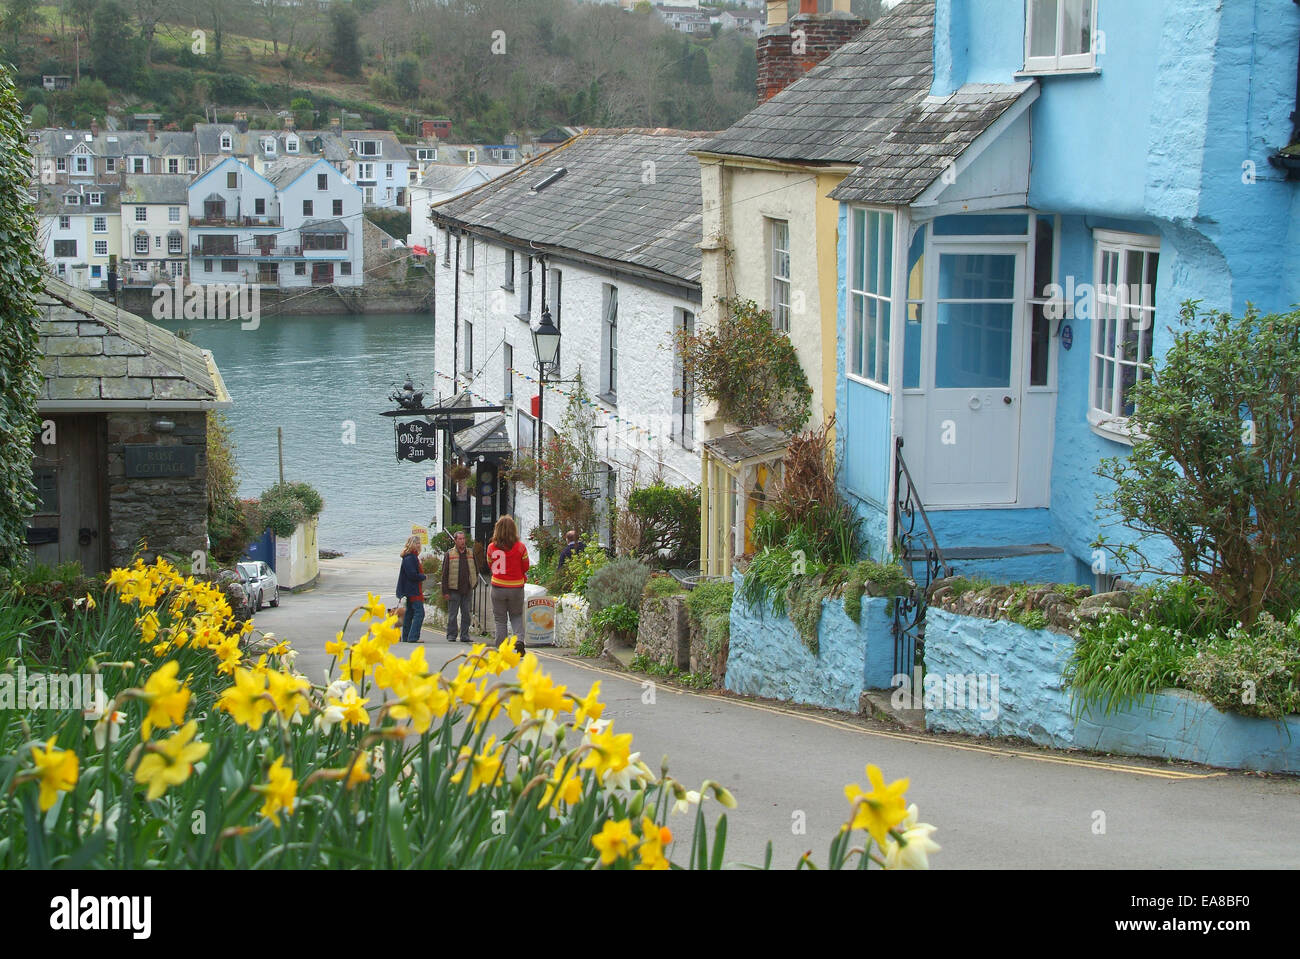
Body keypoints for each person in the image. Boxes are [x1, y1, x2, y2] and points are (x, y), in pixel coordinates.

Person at [486, 515, 530, 645]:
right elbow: (526, 566)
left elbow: (490, 564)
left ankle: (501, 645)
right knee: (516, 616)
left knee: (500, 619)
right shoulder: (520, 547)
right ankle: (519, 640)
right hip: (516, 587)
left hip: (498, 587)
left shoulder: (491, 548)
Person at [440, 529, 479, 643]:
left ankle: (464, 635)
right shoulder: (449, 554)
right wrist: (445, 591)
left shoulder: (470, 553)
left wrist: (474, 582)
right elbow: (444, 573)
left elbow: (476, 569)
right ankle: (451, 635)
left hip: (467, 589)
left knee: (466, 614)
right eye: (460, 539)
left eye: (463, 539)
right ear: (455, 541)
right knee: (453, 614)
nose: (462, 541)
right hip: (454, 589)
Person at [396, 535, 427, 643]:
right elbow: (412, 575)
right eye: (416, 543)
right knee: (419, 613)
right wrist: (423, 576)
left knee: (409, 613)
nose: (418, 545)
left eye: (419, 543)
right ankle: (413, 637)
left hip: (411, 589)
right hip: (413, 590)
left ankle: (406, 637)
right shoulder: (410, 558)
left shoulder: (410, 556)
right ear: (411, 544)